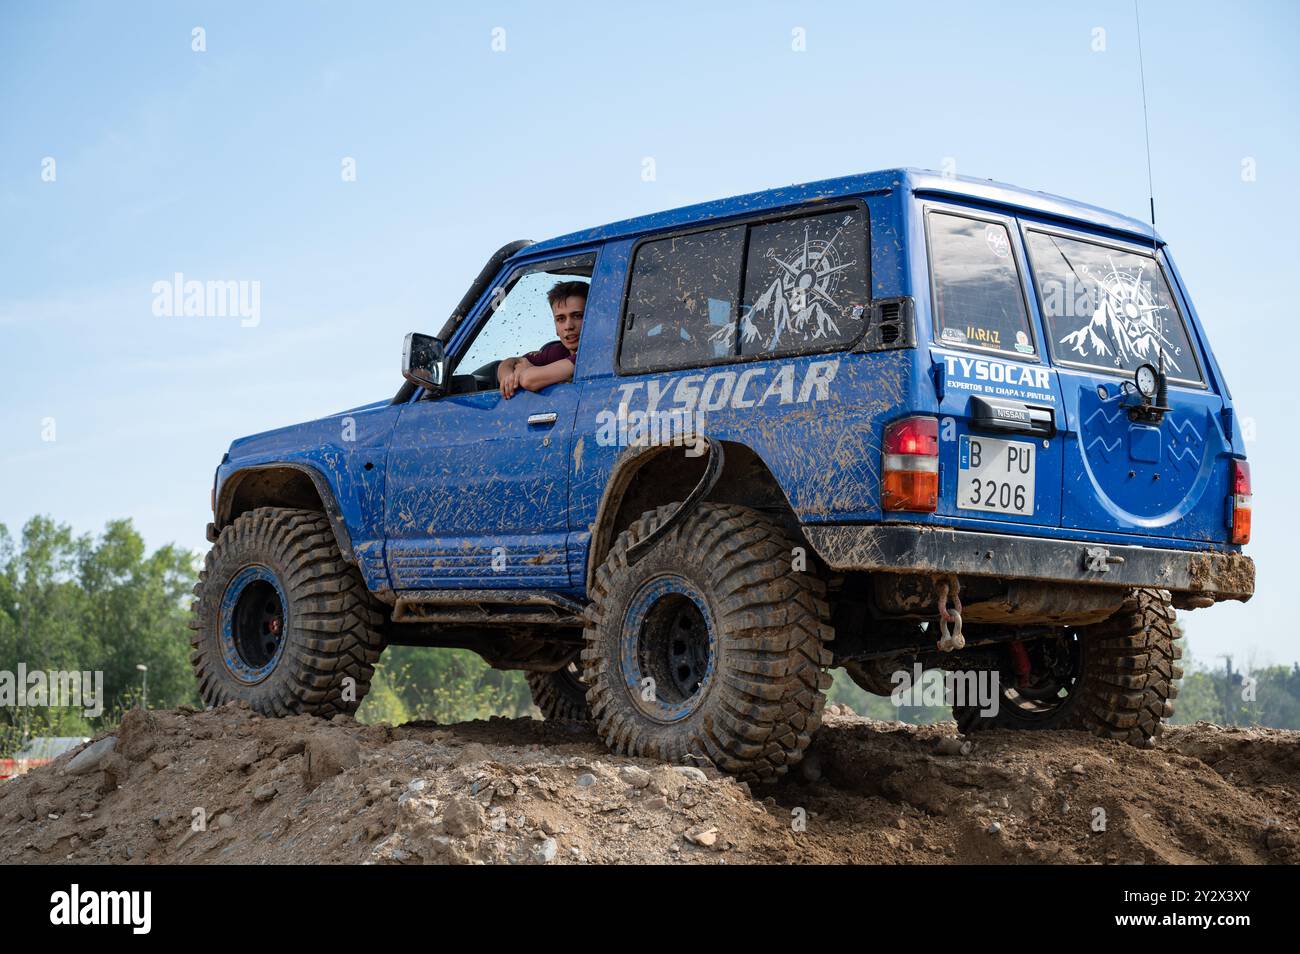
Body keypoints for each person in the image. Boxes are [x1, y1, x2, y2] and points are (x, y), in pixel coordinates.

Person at [498, 280, 587, 399]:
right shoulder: (558, 351)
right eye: (561, 319)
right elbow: (510, 362)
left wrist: (528, 370)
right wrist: (507, 377)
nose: (568, 326)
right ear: (555, 326)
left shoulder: (591, 355)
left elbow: (528, 380)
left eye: (577, 316)